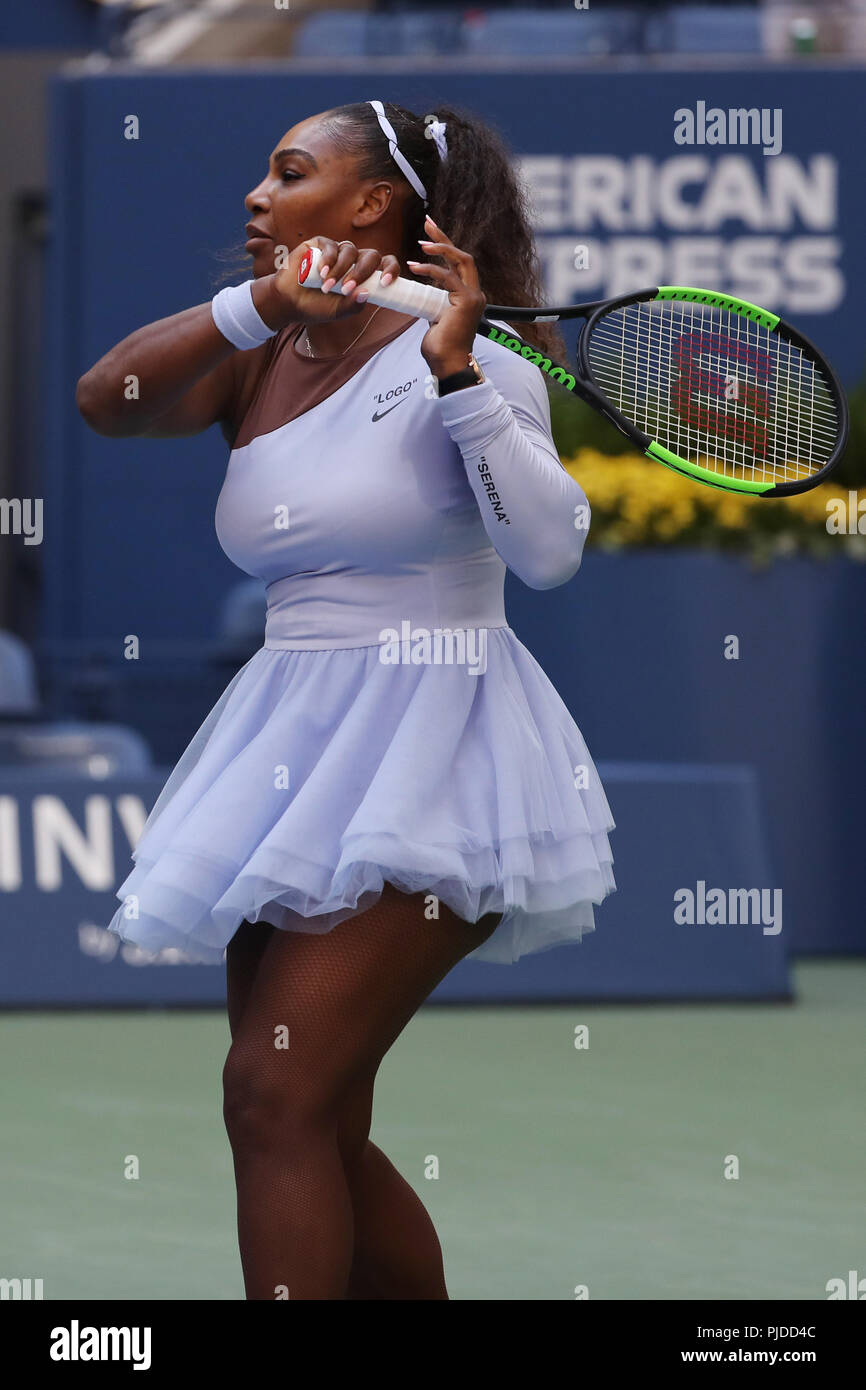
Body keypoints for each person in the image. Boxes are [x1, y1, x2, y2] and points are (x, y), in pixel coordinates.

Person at [76, 99, 615, 1300]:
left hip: (438, 751)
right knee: (303, 1118)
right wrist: (262, 303)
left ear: (372, 203)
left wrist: (462, 373)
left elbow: (548, 556)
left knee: (270, 1096)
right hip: (286, 747)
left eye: (288, 174)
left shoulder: (487, 358)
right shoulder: (264, 349)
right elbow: (103, 400)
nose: (255, 199)